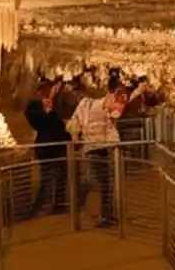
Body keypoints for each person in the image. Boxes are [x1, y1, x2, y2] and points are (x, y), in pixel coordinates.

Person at [70, 87, 125, 227]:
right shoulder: (98, 108)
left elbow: (73, 125)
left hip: (95, 148)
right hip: (96, 148)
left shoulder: (91, 107)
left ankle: (92, 212)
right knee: (101, 182)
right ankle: (99, 214)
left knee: (102, 182)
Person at [24, 80, 71, 217]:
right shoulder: (38, 113)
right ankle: (38, 208)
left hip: (55, 147)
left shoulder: (49, 114)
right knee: (48, 179)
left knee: (60, 177)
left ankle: (57, 205)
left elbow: (58, 128)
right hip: (49, 149)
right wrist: (48, 106)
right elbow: (50, 124)